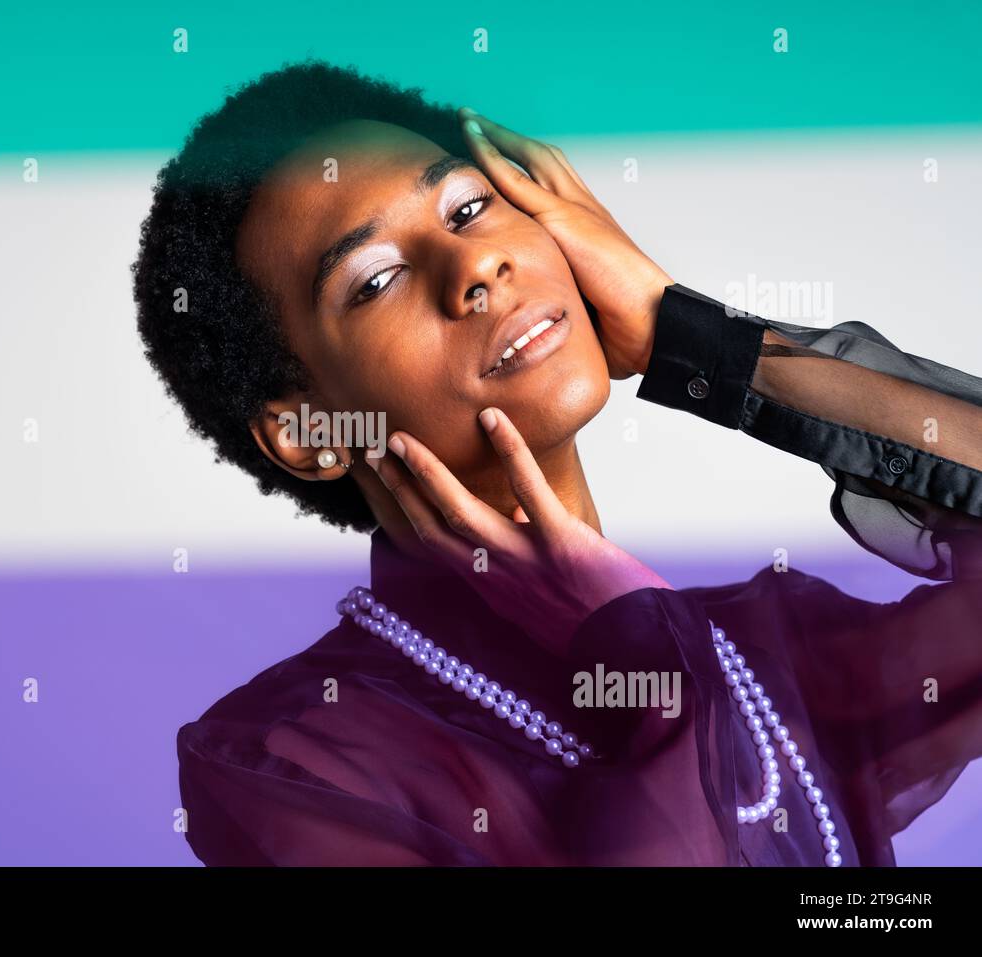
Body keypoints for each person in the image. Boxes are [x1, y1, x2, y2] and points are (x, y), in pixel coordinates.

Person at [132, 61, 982, 866]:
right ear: (311, 430)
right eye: (376, 278)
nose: (473, 265)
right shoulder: (290, 760)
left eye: (468, 211)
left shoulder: (766, 654)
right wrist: (651, 676)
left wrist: (693, 339)